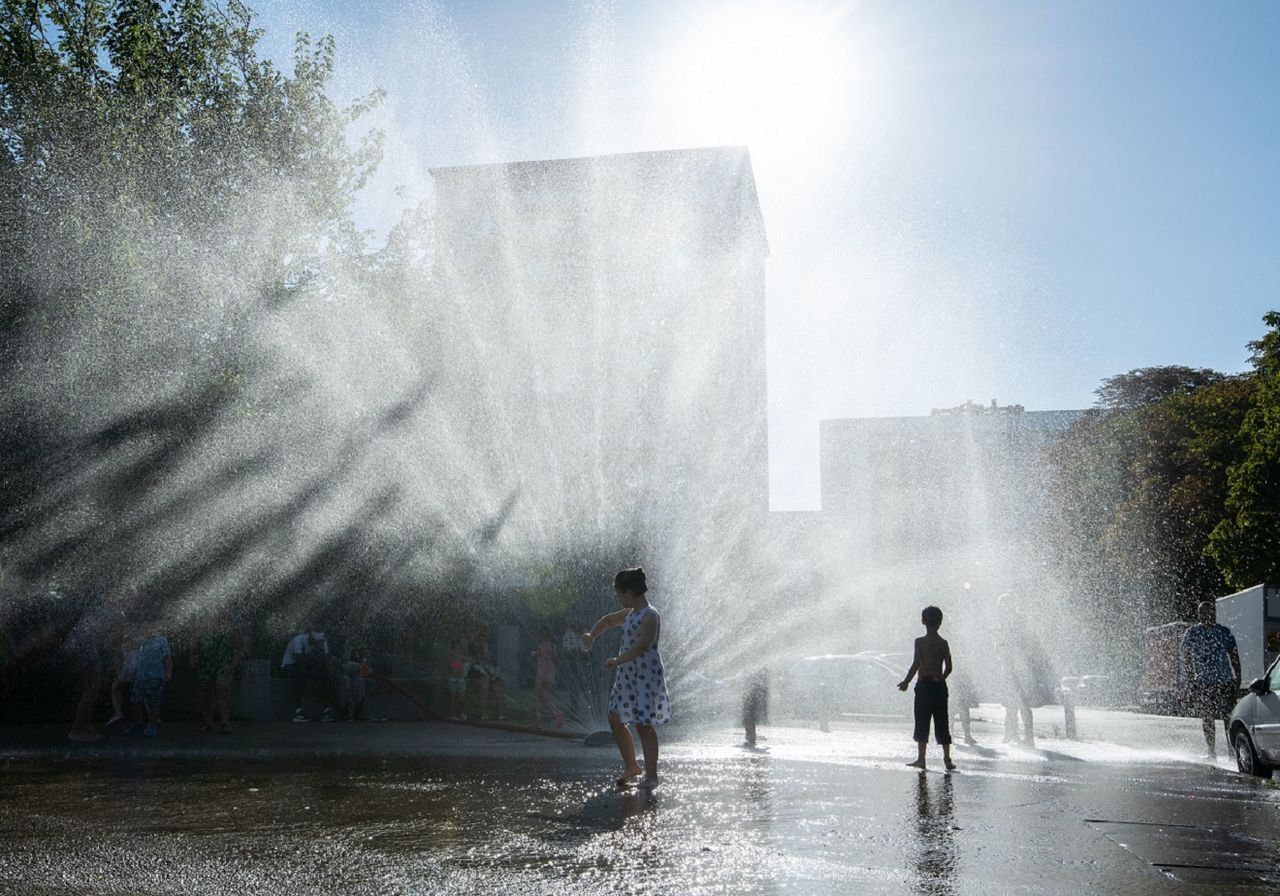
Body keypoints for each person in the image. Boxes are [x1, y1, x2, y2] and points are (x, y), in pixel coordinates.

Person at [583, 567, 670, 789]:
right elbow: (608, 620)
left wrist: (618, 660)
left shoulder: (650, 615)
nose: (619, 599)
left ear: (631, 593)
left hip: (646, 676)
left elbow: (643, 645)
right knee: (614, 718)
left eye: (620, 594)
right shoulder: (630, 613)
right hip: (628, 675)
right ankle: (631, 766)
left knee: (643, 725)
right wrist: (592, 635)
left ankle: (651, 775)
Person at [1179, 600, 1242, 758]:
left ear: (1213, 613)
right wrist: (1191, 679)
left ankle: (1232, 751)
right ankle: (1211, 751)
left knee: (1228, 717)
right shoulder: (1192, 633)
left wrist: (1238, 675)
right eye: (1202, 612)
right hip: (1204, 681)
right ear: (1199, 614)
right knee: (1207, 717)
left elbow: (1234, 655)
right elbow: (1187, 658)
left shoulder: (1223, 632)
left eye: (1208, 612)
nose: (1205, 615)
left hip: (1225, 680)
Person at [897, 605, 956, 772]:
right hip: (939, 687)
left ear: (923, 621)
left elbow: (916, 664)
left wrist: (906, 681)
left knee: (922, 720)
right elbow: (949, 667)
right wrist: (940, 680)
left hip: (923, 685)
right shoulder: (943, 643)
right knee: (942, 721)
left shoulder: (920, 642)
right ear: (940, 623)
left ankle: (921, 759)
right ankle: (947, 759)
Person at [193, 611, 243, 733]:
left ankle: (225, 722)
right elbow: (194, 642)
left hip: (224, 664)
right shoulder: (204, 625)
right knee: (206, 692)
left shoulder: (230, 627)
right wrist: (192, 657)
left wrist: (233, 665)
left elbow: (240, 647)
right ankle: (207, 722)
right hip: (206, 664)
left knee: (223, 690)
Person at [130, 623, 172, 737]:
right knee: (135, 701)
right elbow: (132, 655)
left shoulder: (161, 640)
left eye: (150, 626)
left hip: (156, 677)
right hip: (140, 676)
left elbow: (167, 658)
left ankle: (153, 725)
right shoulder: (139, 640)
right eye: (144, 626)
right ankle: (138, 723)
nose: (147, 628)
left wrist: (168, 672)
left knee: (153, 703)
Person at [281, 629, 331, 722]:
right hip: (289, 665)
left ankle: (326, 709)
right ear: (310, 638)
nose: (319, 642)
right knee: (301, 673)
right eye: (316, 641)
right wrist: (315, 650)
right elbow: (300, 662)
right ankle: (298, 711)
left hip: (309, 666)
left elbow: (326, 660)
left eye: (320, 641)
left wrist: (322, 655)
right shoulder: (298, 640)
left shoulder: (323, 641)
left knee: (325, 674)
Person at [531, 628, 563, 729]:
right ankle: (556, 714)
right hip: (550, 673)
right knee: (545, 698)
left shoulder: (544, 645)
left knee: (539, 697)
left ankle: (539, 721)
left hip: (542, 673)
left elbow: (543, 656)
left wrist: (534, 653)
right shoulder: (553, 646)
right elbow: (554, 657)